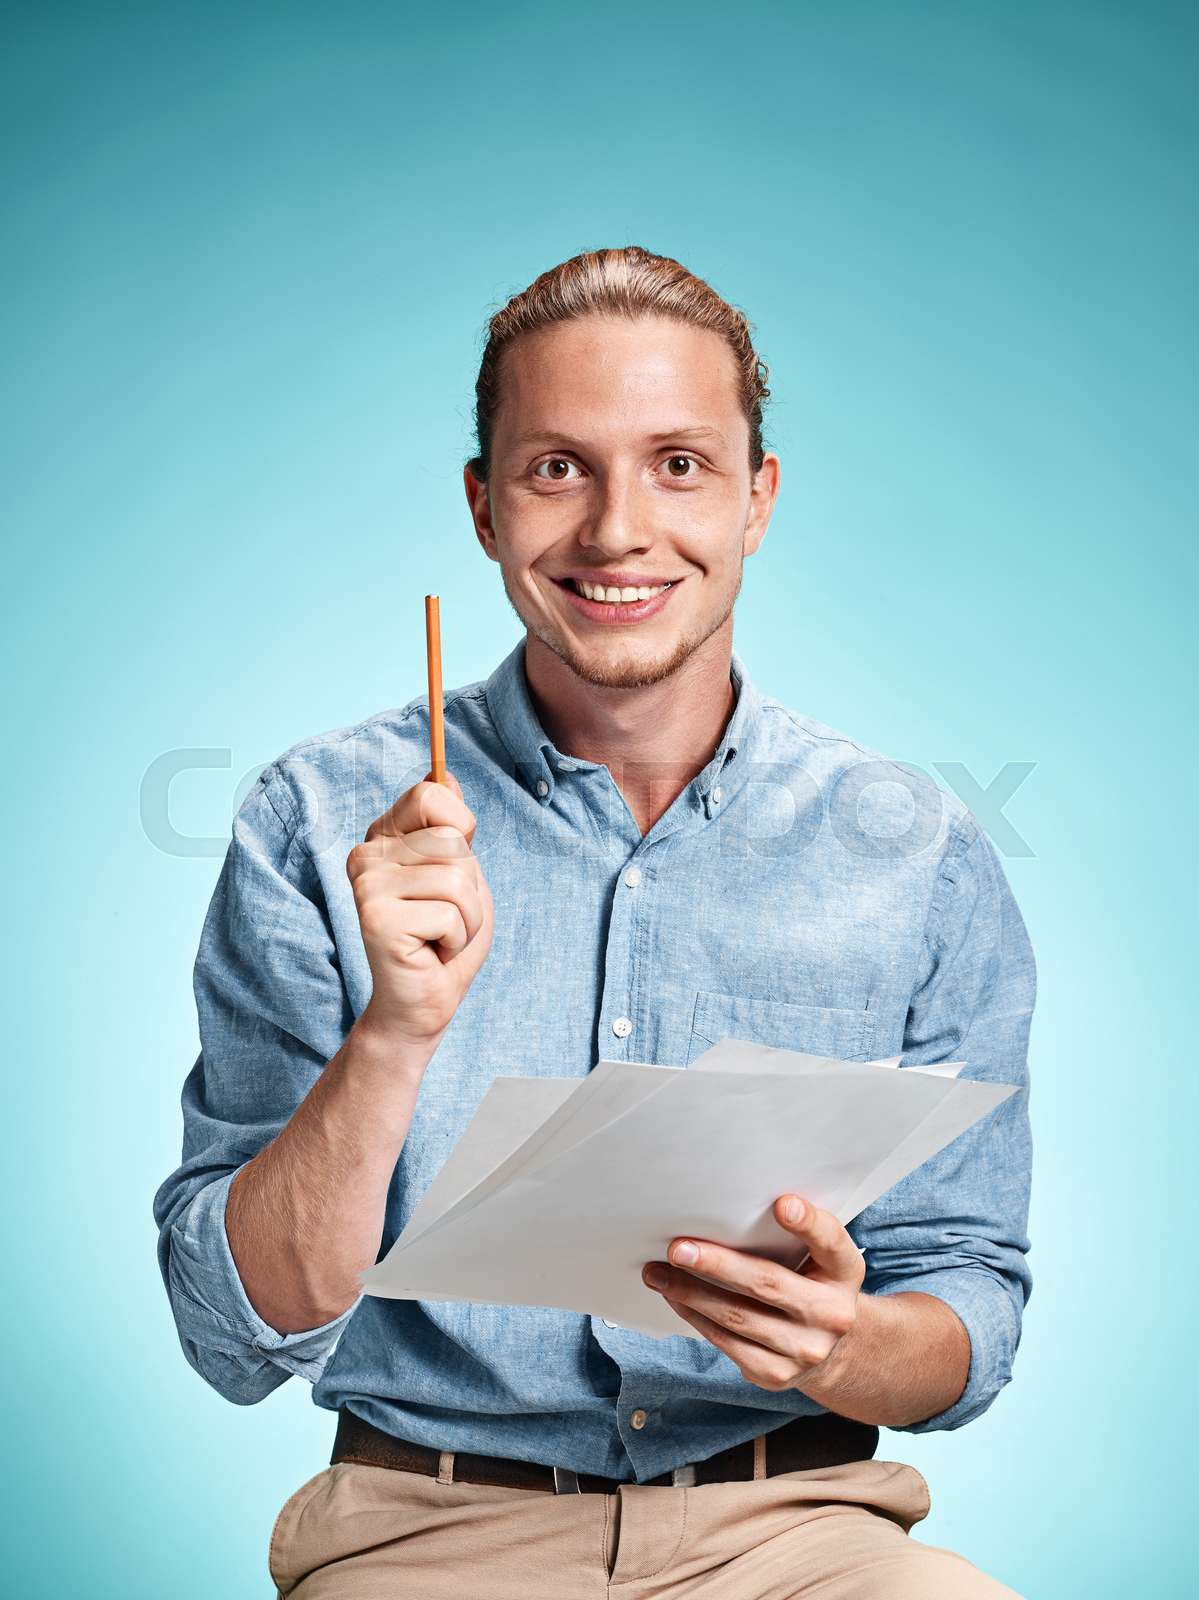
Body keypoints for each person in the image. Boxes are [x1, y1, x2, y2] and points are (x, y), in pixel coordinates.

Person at [153, 245, 1034, 1598]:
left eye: (679, 463)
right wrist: (395, 1032)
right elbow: (233, 1332)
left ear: (758, 500)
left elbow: (970, 1294)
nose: (619, 528)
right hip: (428, 1533)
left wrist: (842, 1345)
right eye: (557, 467)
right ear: (485, 508)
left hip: (793, 1531)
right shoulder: (317, 819)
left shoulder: (918, 853)